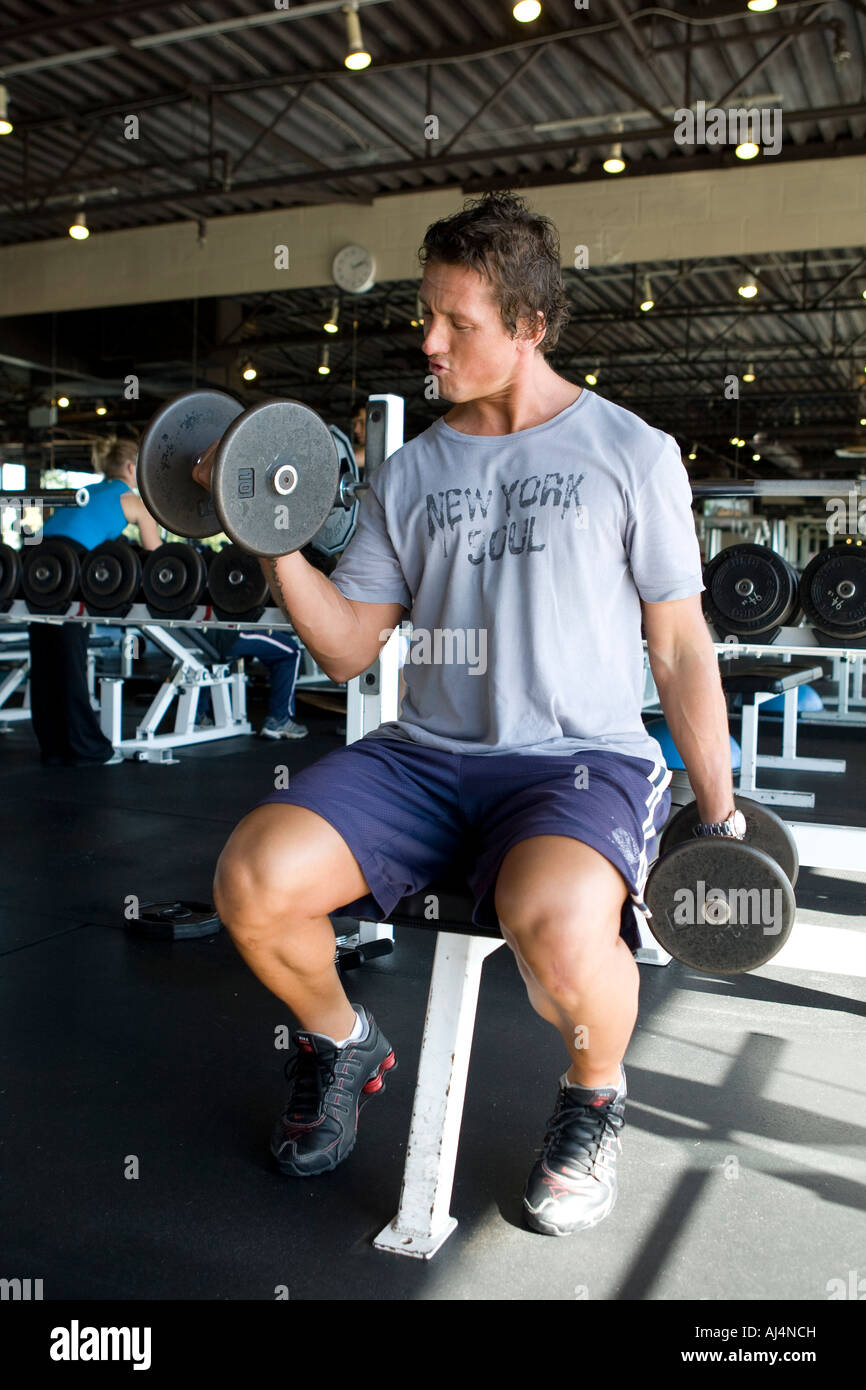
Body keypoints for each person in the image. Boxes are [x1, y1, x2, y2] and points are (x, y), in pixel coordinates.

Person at [204, 192, 739, 1238]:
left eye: (458, 323)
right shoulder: (413, 473)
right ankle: (341, 1039)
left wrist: (716, 816)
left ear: (530, 327)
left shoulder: (630, 451)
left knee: (556, 932)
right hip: (421, 761)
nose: (429, 341)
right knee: (252, 880)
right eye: (425, 315)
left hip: (574, 765)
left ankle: (593, 1093)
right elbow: (351, 644)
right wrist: (269, 537)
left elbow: (676, 643)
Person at [28, 437, 161, 766]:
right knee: (70, 659)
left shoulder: (84, 493)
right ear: (132, 468)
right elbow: (160, 559)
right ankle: (88, 750)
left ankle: (54, 748)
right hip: (71, 568)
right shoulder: (133, 500)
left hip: (36, 565)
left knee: (45, 659)